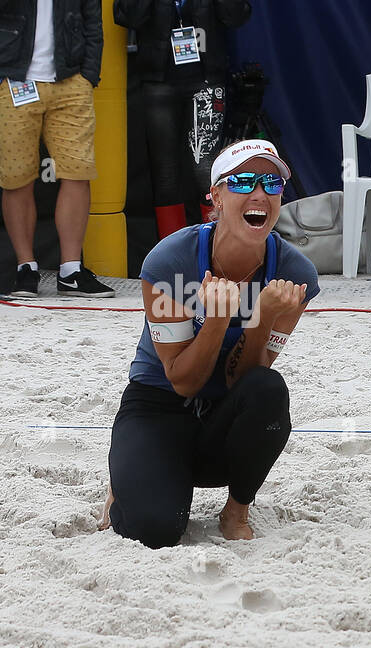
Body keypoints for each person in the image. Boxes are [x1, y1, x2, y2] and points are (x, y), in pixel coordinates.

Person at [100, 140, 319, 548]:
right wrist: (216, 320)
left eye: (271, 183)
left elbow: (245, 379)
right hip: (159, 404)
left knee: (269, 391)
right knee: (154, 530)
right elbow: (181, 381)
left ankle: (236, 508)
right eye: (243, 181)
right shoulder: (170, 262)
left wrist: (264, 317)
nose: (259, 193)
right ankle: (127, 479)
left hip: (224, 417)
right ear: (215, 196)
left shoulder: (294, 272)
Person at [0, 0, 115, 298]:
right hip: (14, 79)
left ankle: (71, 270)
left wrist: (88, 75)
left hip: (70, 81)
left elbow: (93, 22)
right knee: (16, 177)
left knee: (78, 170)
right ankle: (26, 268)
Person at [112, 0, 253, 238]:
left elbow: (236, 16)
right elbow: (128, 16)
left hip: (205, 78)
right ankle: (172, 255)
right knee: (164, 175)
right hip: (158, 79)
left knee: (205, 170)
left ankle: (216, 249)